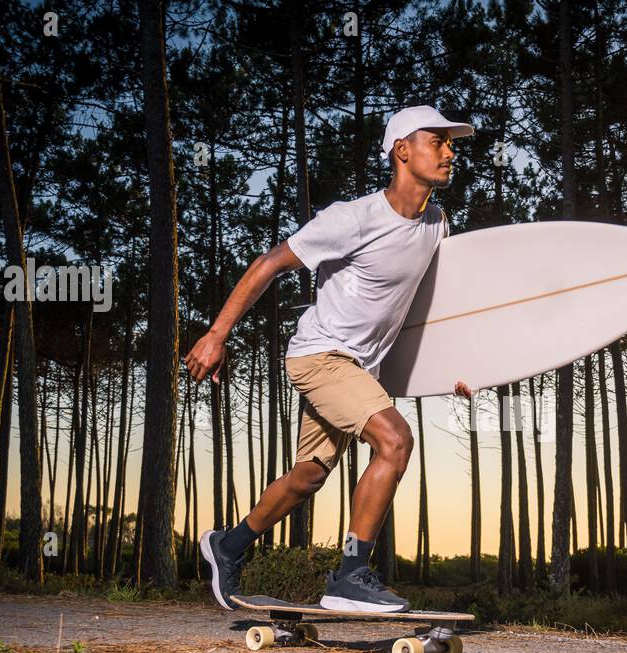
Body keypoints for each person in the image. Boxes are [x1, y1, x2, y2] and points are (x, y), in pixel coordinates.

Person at [184, 106, 475, 613]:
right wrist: (216, 334)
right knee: (395, 441)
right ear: (402, 150)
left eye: (453, 144)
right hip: (320, 357)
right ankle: (351, 574)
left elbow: (427, 308)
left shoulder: (435, 223)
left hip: (359, 369)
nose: (451, 152)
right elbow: (270, 263)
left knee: (309, 475)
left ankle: (226, 547)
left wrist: (456, 366)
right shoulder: (354, 217)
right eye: (439, 141)